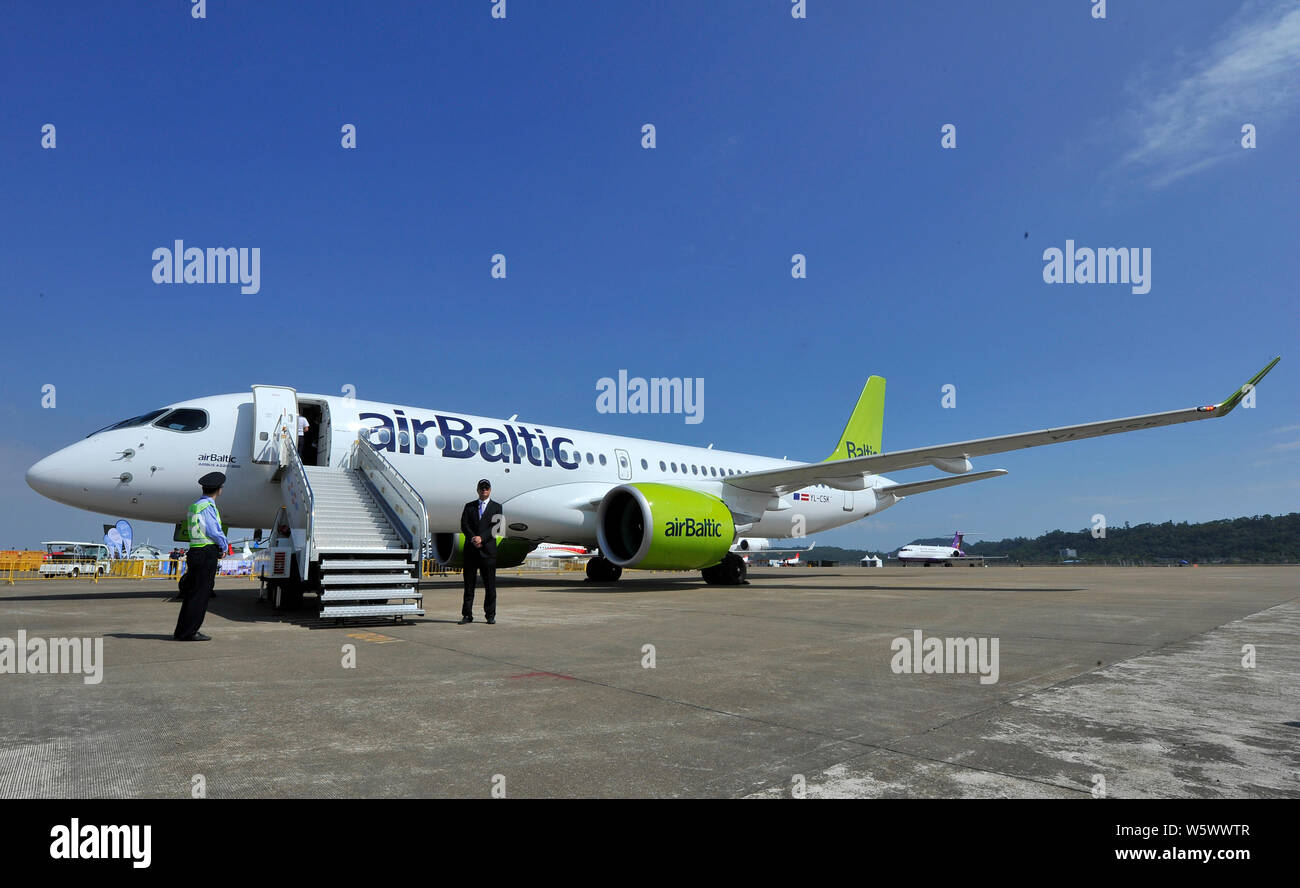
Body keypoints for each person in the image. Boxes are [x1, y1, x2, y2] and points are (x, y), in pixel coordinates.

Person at [173, 472, 231, 641]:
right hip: (206, 552)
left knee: (192, 594)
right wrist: (224, 545)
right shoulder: (208, 507)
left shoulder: (195, 506)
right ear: (219, 490)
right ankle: (189, 632)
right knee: (200, 595)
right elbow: (214, 530)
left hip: (195, 550)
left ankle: (183, 630)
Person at [459, 479, 502, 624]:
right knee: (469, 586)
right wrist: (473, 538)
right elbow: (464, 525)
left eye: (486, 488)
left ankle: (490, 615)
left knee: (490, 586)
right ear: (477, 490)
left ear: (490, 490)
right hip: (471, 550)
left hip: (488, 552)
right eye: (481, 488)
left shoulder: (497, 507)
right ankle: (467, 615)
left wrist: (481, 538)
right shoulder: (469, 506)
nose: (484, 490)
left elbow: (497, 528)